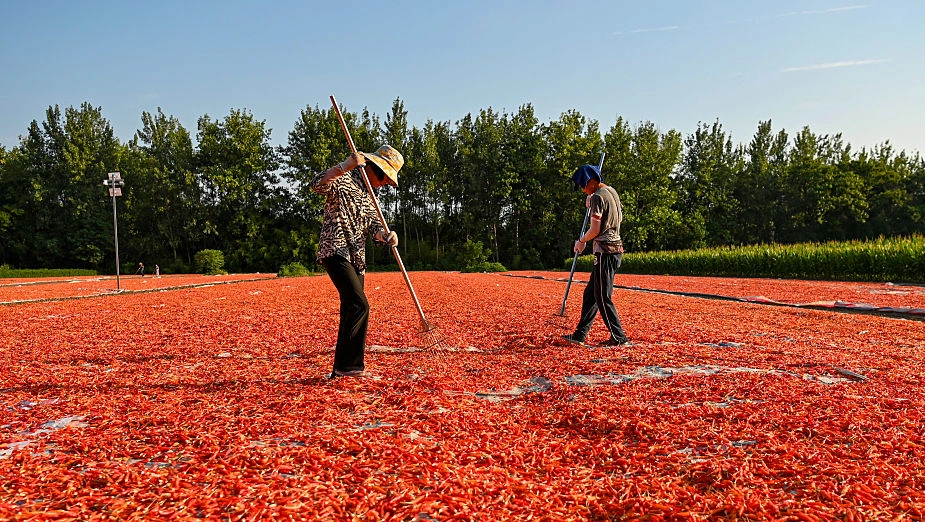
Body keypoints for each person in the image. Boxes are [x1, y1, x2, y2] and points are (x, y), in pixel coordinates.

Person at [311, 145, 403, 379]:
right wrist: (345, 166)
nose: (384, 185)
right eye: (385, 179)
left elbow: (373, 226)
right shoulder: (343, 180)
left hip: (356, 257)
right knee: (359, 305)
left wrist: (386, 235)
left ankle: (341, 369)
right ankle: (349, 368)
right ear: (375, 168)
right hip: (335, 249)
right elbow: (316, 185)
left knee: (351, 308)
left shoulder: (371, 195)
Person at [562, 164, 630, 347]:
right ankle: (580, 335)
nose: (583, 190)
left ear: (591, 181)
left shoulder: (598, 198)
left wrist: (581, 241)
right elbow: (615, 215)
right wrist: (592, 201)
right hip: (614, 251)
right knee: (591, 293)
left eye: (584, 186)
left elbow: (595, 229)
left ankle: (619, 337)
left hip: (605, 252)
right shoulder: (611, 192)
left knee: (602, 296)